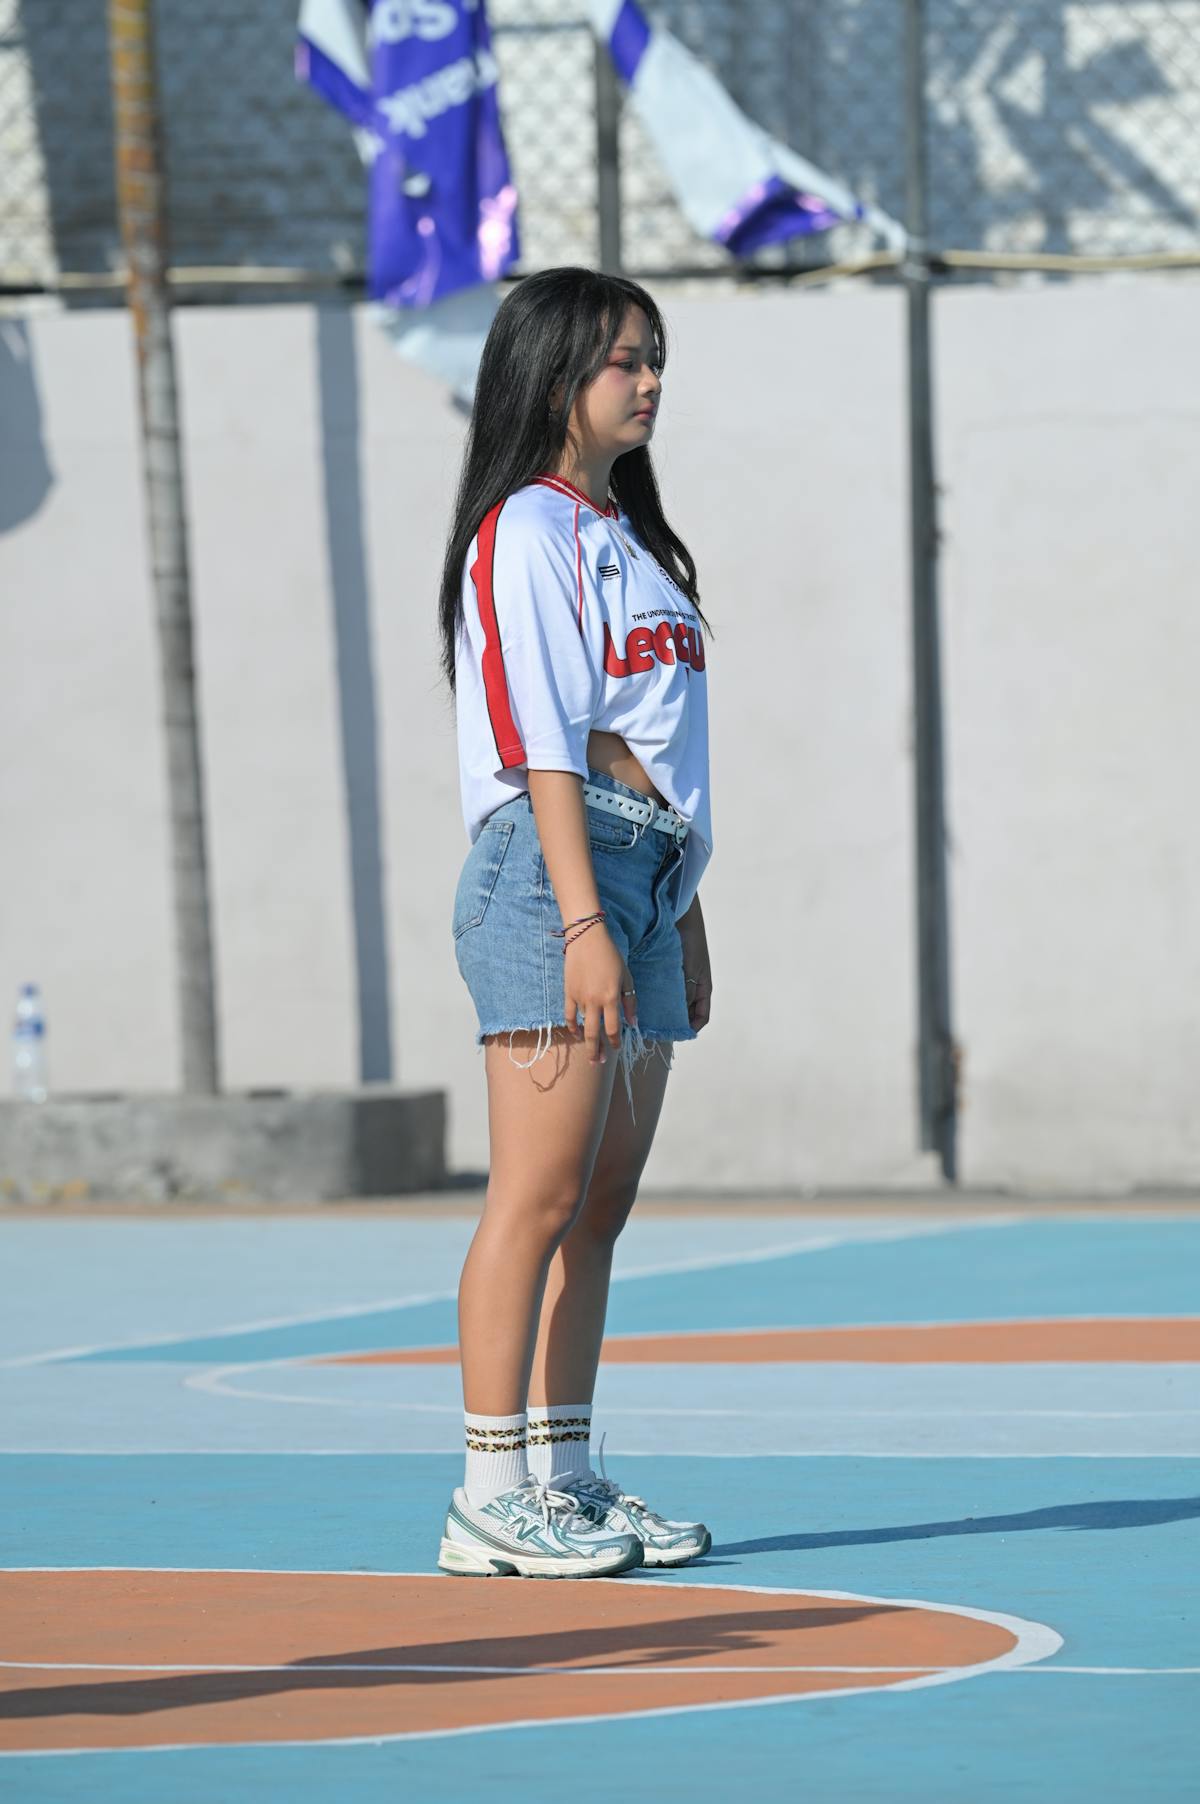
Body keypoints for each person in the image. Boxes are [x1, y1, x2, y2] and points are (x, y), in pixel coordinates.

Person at [435, 266, 715, 1578]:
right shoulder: (524, 530)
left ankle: (565, 1475)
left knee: (599, 1205)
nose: (649, 381)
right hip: (559, 875)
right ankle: (489, 1492)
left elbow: (658, 747)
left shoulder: (633, 538)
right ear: (554, 377)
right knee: (537, 1195)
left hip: (643, 879)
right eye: (624, 360)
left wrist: (682, 909)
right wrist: (585, 922)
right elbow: (546, 740)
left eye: (656, 358)